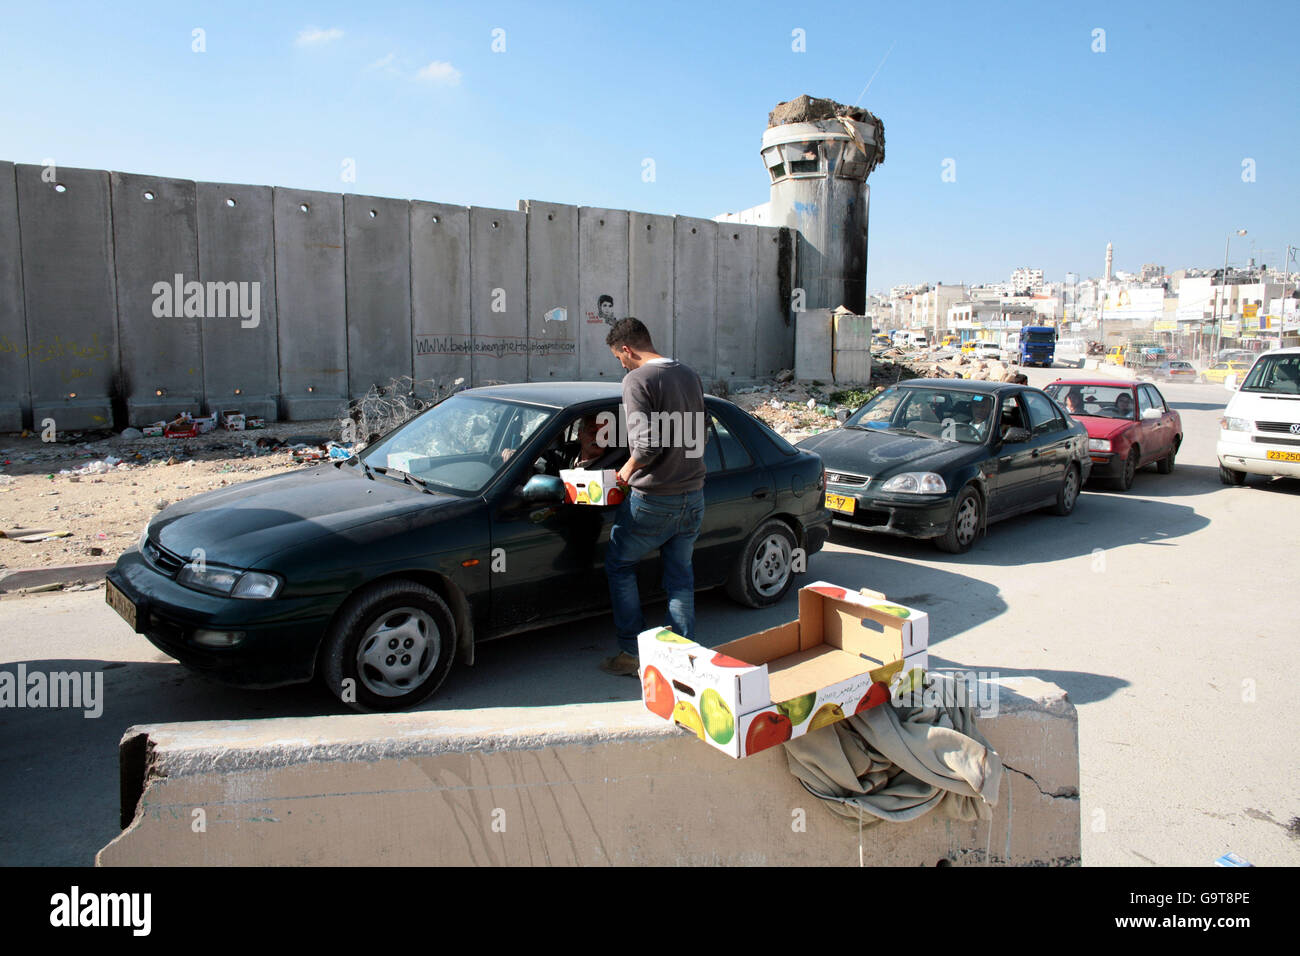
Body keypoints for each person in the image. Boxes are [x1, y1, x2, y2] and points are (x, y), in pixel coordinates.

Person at [599, 317, 706, 677]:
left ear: (627, 349)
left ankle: (631, 654)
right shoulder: (688, 373)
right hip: (693, 494)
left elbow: (646, 444)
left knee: (620, 565)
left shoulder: (637, 380)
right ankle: (685, 658)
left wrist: (625, 473)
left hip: (654, 499)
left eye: (619, 358)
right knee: (680, 577)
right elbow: (698, 431)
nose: (622, 365)